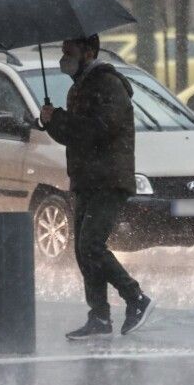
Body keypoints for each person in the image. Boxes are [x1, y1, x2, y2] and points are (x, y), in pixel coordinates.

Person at [39, 34, 155, 339]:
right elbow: (73, 136)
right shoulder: (80, 87)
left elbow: (99, 129)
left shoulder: (107, 84)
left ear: (88, 52)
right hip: (86, 180)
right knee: (82, 250)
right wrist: (52, 121)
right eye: (63, 51)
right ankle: (99, 316)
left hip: (108, 179)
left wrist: (62, 119)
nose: (65, 57)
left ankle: (136, 298)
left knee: (91, 245)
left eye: (69, 51)